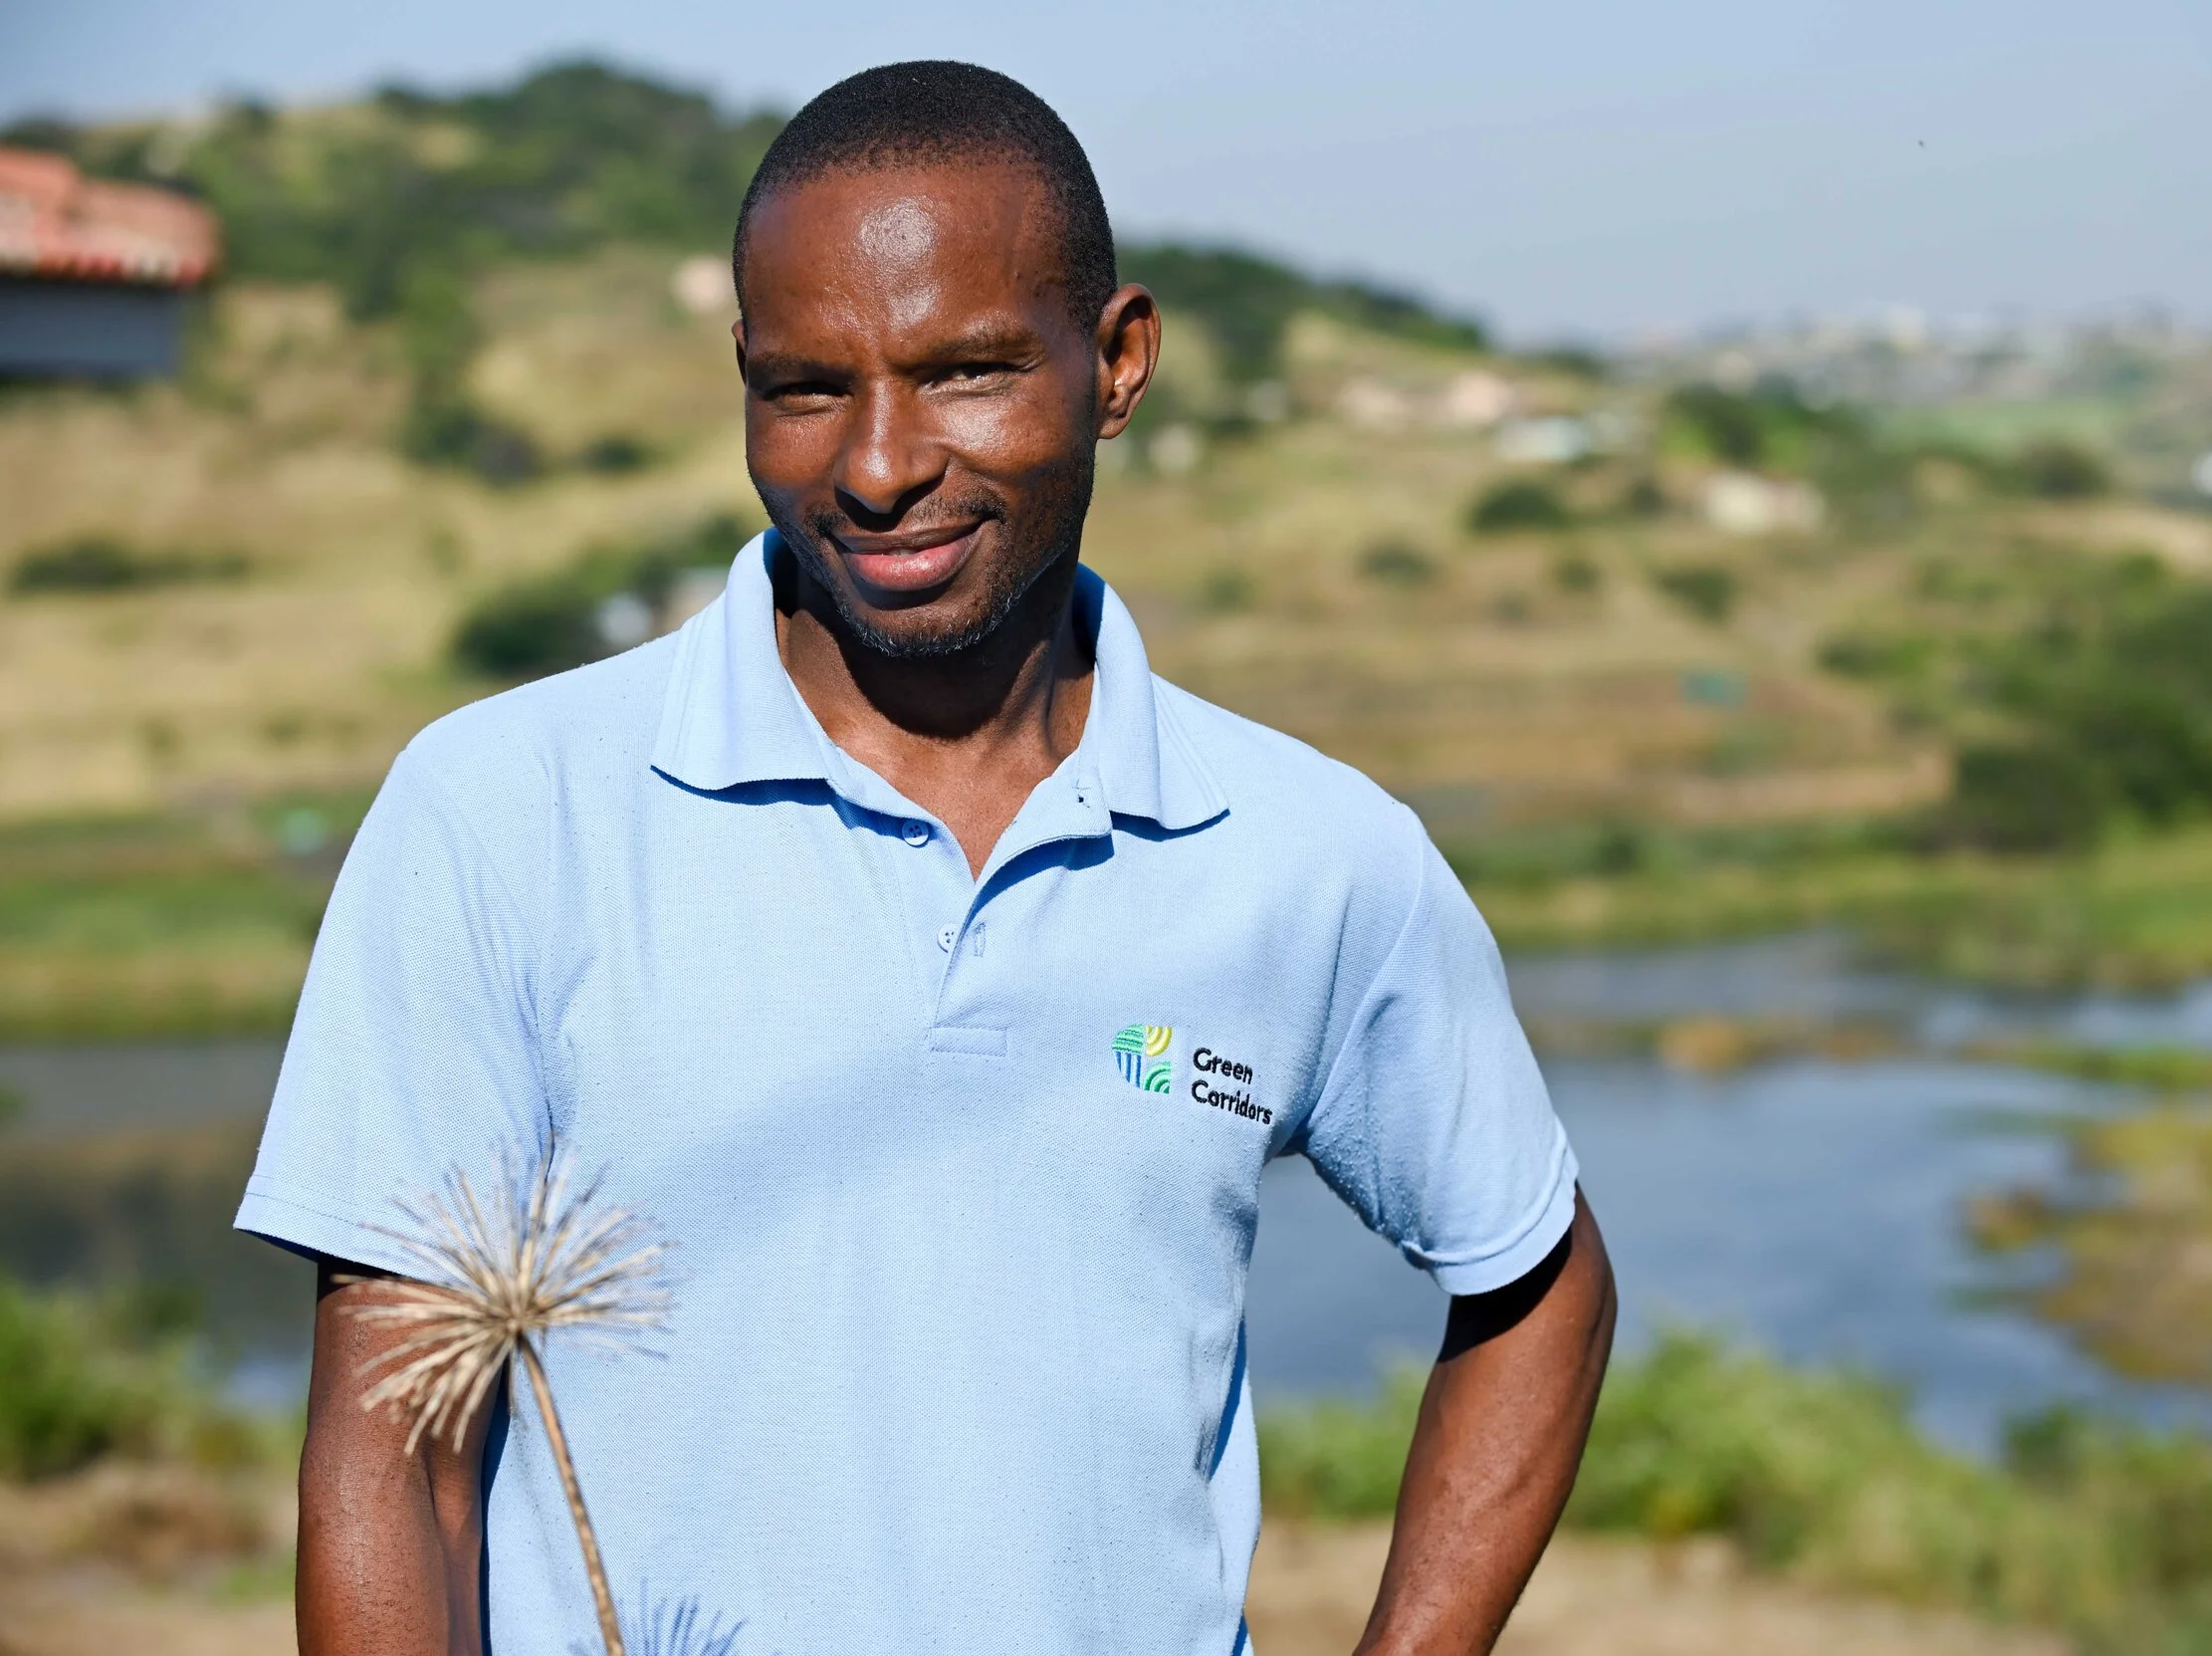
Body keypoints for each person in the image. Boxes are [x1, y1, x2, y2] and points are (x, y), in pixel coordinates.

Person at [240, 59, 1615, 1656]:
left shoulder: (1314, 859)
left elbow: (1541, 1283)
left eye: (964, 373)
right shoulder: (504, 815)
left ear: (1118, 363)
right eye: (805, 386)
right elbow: (394, 1454)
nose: (879, 464)